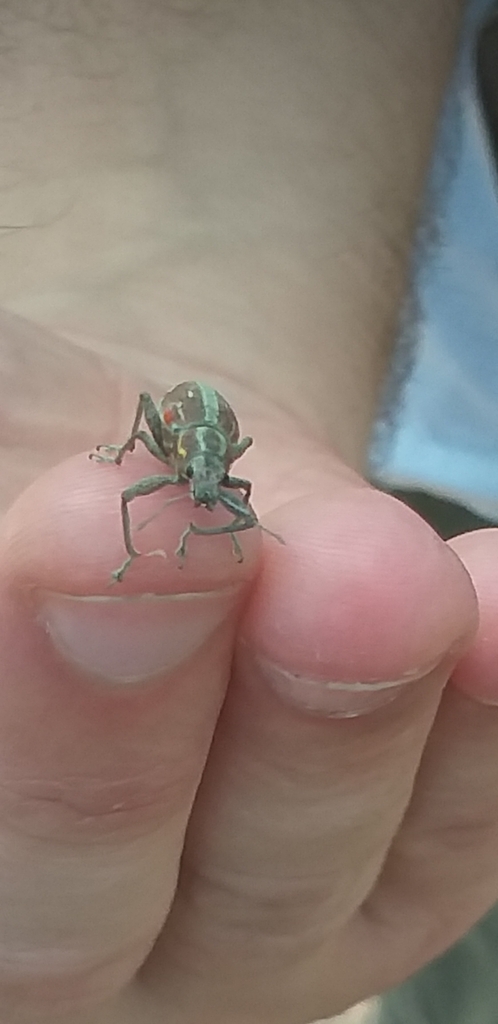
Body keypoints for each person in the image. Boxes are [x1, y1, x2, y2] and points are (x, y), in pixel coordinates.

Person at [0, 2, 493, 1023]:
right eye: (208, 490)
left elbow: (235, 500)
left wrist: (223, 515)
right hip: (415, 443)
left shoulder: (226, 483)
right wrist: (170, 319)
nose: (211, 501)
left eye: (216, 493)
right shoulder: (176, 464)